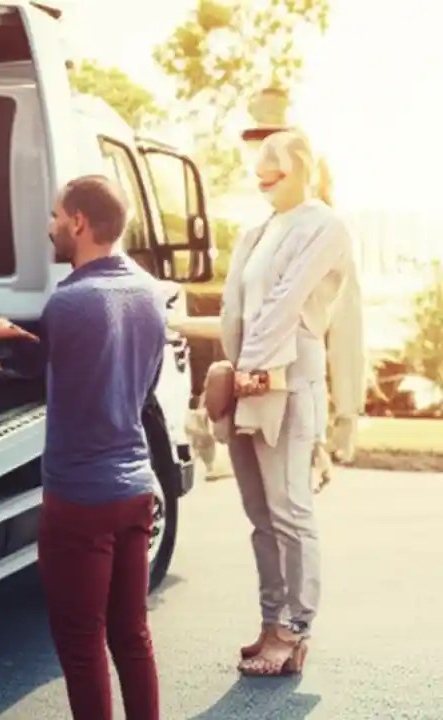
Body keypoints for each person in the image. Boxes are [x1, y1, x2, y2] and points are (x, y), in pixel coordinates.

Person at [0, 174, 167, 720]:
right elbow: (123, 377)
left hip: (79, 501)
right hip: (136, 489)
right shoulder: (147, 292)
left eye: (55, 216)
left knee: (80, 641)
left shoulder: (70, 301)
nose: (50, 226)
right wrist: (14, 332)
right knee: (131, 632)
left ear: (78, 222)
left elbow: (38, 372)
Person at [216, 129, 358, 676]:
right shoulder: (258, 231)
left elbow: (285, 301)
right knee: (259, 514)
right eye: (258, 168)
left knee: (290, 509)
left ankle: (296, 630)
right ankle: (271, 619)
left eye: (272, 165)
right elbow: (241, 309)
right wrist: (235, 371)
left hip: (289, 384)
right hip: (249, 382)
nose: (260, 174)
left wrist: (250, 366)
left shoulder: (325, 225)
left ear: (300, 165)